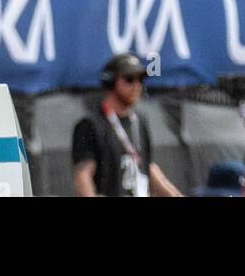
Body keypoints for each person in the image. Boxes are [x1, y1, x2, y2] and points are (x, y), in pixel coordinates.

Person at [72, 53, 181, 197]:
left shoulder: (139, 121)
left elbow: (147, 167)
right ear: (111, 82)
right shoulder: (90, 125)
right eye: (129, 79)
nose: (137, 85)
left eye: (140, 79)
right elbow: (83, 176)